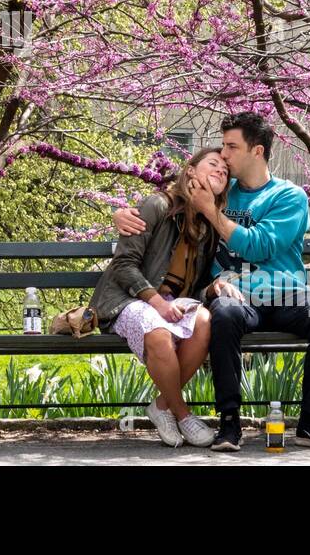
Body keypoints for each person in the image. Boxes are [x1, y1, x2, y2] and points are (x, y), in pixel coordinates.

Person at [113, 113, 310, 452]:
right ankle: (229, 425)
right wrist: (121, 213)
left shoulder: (288, 196)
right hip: (233, 295)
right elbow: (173, 199)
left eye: (232, 147)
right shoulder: (220, 189)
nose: (224, 155)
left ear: (257, 151)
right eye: (222, 146)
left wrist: (211, 211)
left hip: (286, 293)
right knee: (224, 316)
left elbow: (259, 245)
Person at [88, 148, 229, 448]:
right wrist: (157, 302)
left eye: (225, 171)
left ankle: (162, 406)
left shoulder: (208, 225)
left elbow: (197, 285)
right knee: (157, 328)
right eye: (212, 164)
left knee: (204, 319)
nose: (220, 171)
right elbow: (124, 264)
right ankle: (182, 413)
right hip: (129, 299)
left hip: (172, 303)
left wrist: (211, 290)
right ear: (190, 171)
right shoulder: (158, 204)